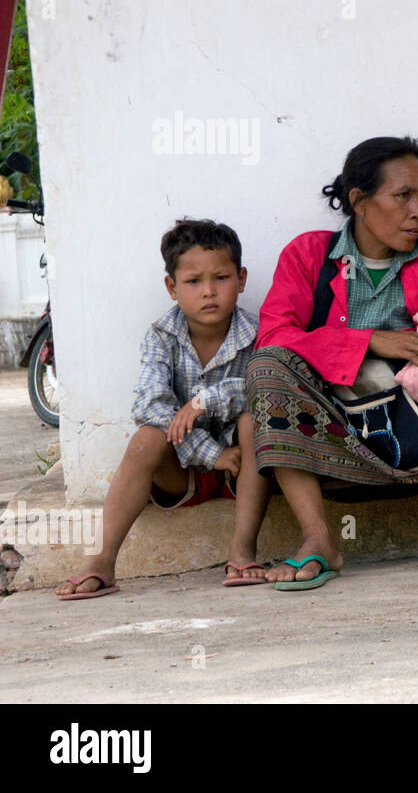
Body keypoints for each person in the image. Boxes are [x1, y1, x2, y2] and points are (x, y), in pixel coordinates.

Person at [249, 136, 418, 590]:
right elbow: (276, 337)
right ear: (359, 200)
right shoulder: (309, 254)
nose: (417, 210)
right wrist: (373, 341)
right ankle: (320, 538)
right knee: (268, 366)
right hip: (337, 429)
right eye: (403, 196)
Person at [56, 220, 268, 599]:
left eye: (221, 277)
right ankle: (101, 560)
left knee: (256, 420)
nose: (208, 291)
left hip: (244, 467)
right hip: (182, 472)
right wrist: (211, 452)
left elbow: (264, 387)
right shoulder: (161, 336)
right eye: (192, 281)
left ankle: (242, 552)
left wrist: (205, 402)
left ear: (241, 278)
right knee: (146, 438)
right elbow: (151, 405)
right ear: (171, 287)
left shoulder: (259, 331)